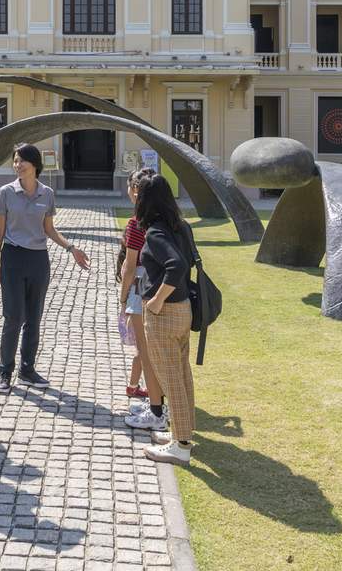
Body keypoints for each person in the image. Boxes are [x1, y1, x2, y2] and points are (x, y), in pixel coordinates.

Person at [0, 143, 90, 393]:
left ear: (35, 164)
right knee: (13, 317)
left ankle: (27, 370)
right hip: (13, 257)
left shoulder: (47, 194)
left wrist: (71, 248)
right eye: (15, 161)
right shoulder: (5, 192)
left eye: (22, 161)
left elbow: (49, 229)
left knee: (33, 318)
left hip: (38, 260)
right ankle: (4, 371)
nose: (18, 165)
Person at [133, 173, 198, 466]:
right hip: (183, 308)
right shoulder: (181, 226)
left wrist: (157, 300)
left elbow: (176, 265)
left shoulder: (156, 232)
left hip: (165, 313)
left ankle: (181, 445)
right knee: (181, 375)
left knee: (171, 379)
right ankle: (182, 434)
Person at [119, 168, 161, 404]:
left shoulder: (136, 223)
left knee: (144, 348)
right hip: (159, 286)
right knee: (147, 346)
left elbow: (130, 265)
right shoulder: (163, 220)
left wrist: (123, 298)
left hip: (139, 287)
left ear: (135, 190)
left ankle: (154, 403)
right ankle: (136, 387)